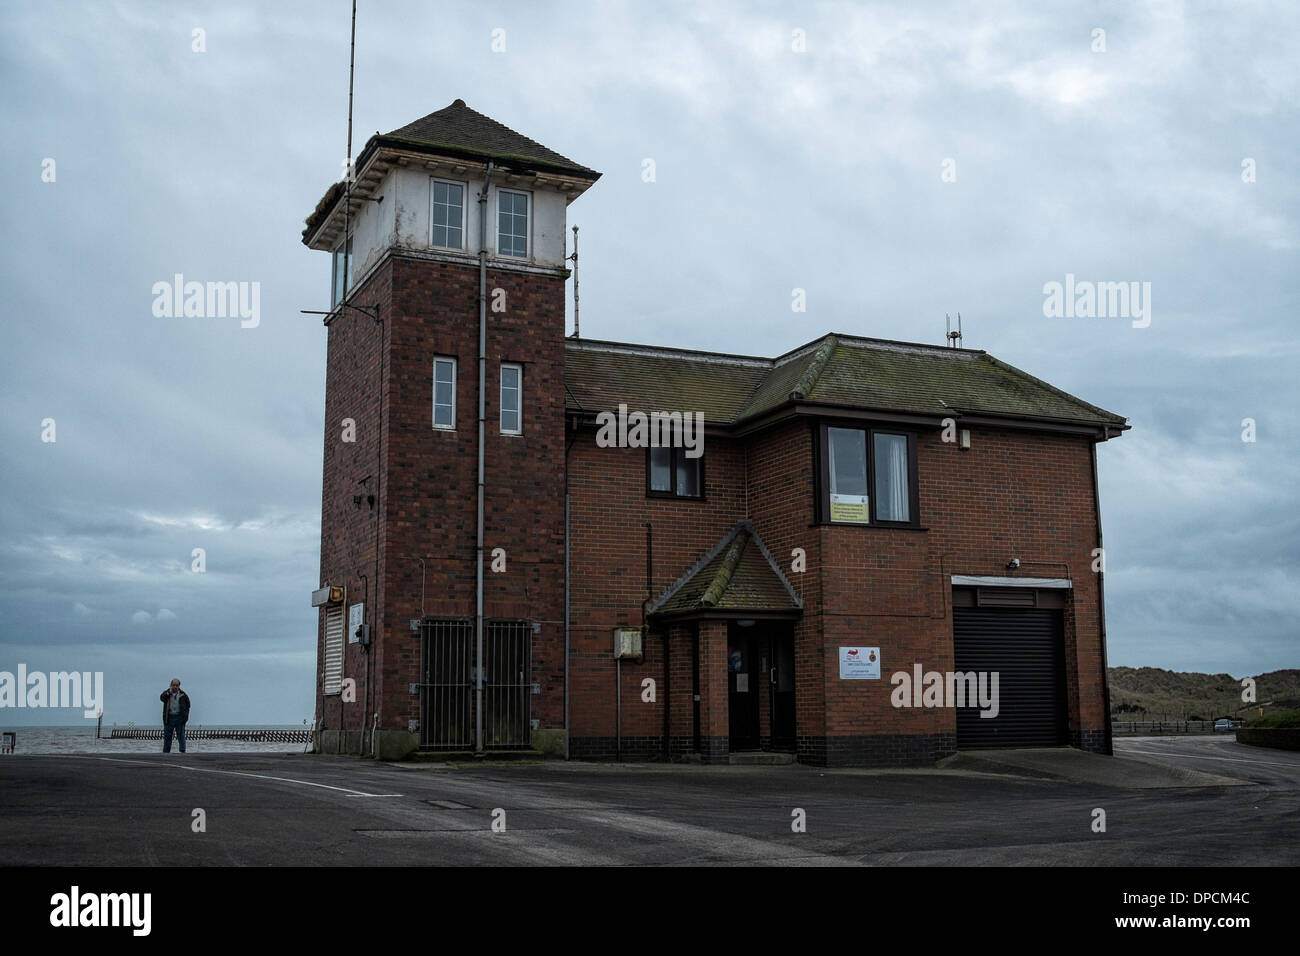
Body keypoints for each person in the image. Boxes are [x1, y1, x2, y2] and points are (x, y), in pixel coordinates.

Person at [160, 679, 191, 754]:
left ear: (179, 686)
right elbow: (162, 698)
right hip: (169, 717)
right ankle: (166, 752)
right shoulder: (167, 693)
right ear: (170, 685)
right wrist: (168, 693)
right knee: (167, 736)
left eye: (177, 685)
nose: (175, 687)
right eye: (173, 685)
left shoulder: (182, 694)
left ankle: (182, 751)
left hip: (179, 717)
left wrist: (185, 716)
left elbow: (188, 704)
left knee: (181, 735)